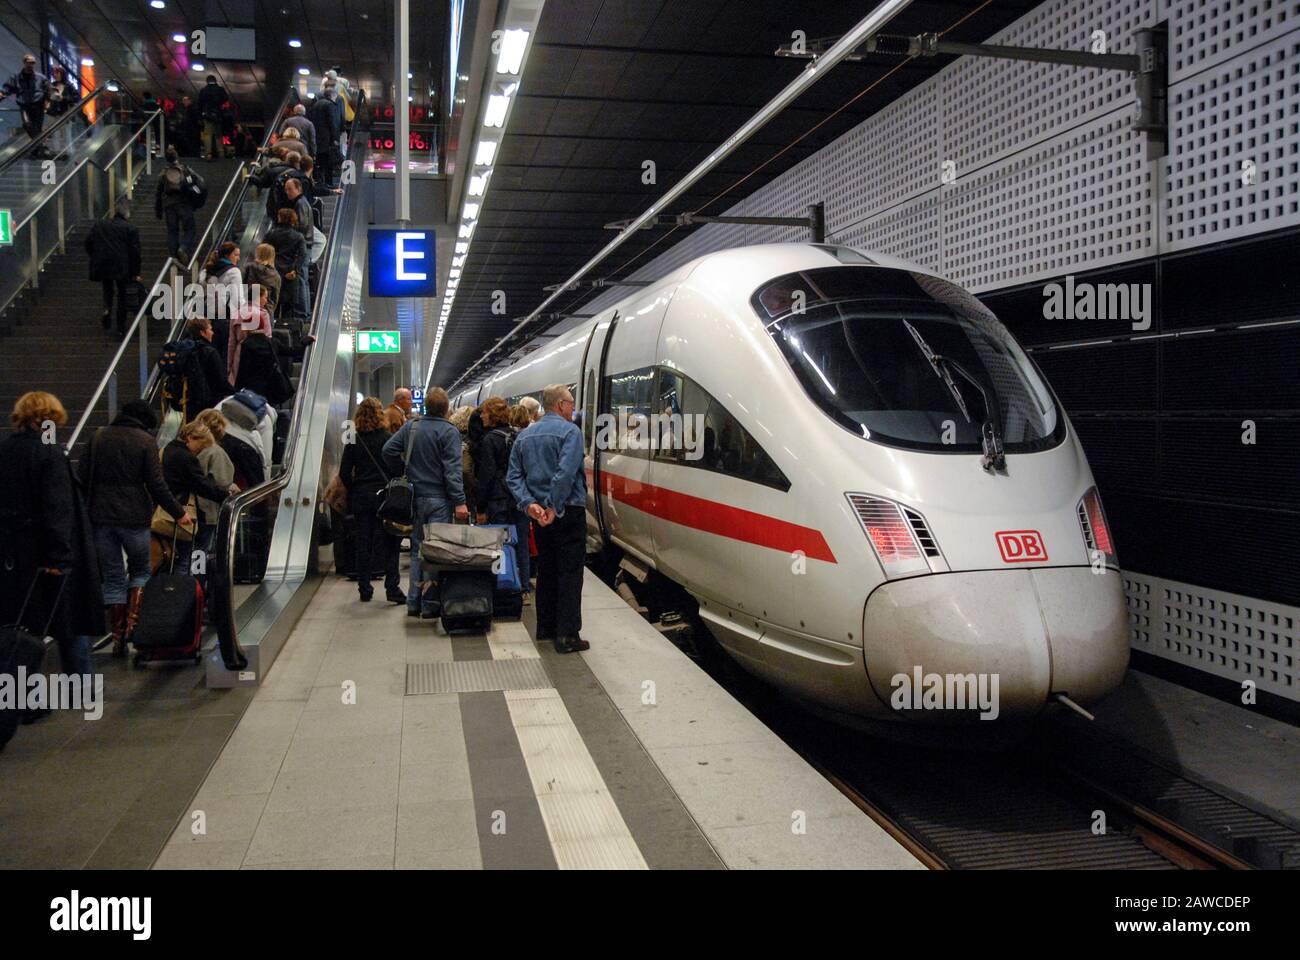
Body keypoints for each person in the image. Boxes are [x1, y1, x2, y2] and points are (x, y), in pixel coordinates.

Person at [0, 392, 103, 681]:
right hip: (49, 554)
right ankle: (79, 684)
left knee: (21, 625)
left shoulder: (6, 450)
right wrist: (60, 555)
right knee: (69, 622)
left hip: (14, 553)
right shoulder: (50, 454)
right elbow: (57, 508)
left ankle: (21, 689)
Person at [79, 399, 192, 656]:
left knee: (112, 575)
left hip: (101, 517)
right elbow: (156, 484)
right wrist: (178, 513)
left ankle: (116, 638)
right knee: (141, 571)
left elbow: (83, 477)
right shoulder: (144, 441)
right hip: (134, 517)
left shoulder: (97, 437)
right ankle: (133, 629)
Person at [506, 384, 587, 653]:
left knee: (547, 570)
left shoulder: (525, 436)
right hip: (567, 511)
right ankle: (567, 636)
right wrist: (553, 506)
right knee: (570, 573)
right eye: (571, 402)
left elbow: (513, 477)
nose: (573, 407)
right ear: (560, 404)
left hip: (539, 515)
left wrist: (530, 505)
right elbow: (565, 474)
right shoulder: (571, 432)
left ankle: (545, 628)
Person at [382, 388, 469, 618]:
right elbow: (453, 471)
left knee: (416, 549)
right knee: (435, 552)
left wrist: (403, 470)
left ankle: (413, 602)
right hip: (439, 500)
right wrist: (460, 501)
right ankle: (430, 604)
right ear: (445, 409)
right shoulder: (448, 432)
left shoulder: (412, 426)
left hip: (415, 498)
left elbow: (388, 450)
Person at [339, 398, 404, 604]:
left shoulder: (353, 439)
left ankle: (364, 588)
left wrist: (355, 487)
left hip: (361, 497)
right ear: (380, 414)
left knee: (363, 543)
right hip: (384, 497)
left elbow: (344, 472)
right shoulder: (388, 438)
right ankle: (392, 588)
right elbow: (398, 468)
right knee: (390, 542)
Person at [475, 397, 531, 605]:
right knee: (522, 543)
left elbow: (486, 476)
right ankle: (524, 588)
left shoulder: (489, 440)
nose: (481, 416)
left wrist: (480, 507)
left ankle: (502, 585)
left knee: (498, 544)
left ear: (492, 415)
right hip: (519, 497)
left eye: (484, 413)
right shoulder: (519, 436)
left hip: (498, 499)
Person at [84, 196, 141, 336]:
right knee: (122, 295)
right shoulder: (130, 228)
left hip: (103, 264)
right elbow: (135, 253)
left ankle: (107, 309)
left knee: (107, 289)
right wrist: (136, 272)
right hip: (122, 267)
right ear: (127, 213)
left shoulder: (100, 225)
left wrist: (95, 256)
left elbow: (87, 243)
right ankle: (120, 327)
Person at [180, 317, 233, 417]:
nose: (212, 332)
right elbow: (220, 380)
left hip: (191, 403)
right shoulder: (210, 352)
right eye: (210, 329)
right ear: (202, 333)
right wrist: (234, 393)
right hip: (210, 404)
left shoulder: (187, 351)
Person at [200, 241, 244, 355]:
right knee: (225, 354)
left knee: (209, 352)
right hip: (224, 318)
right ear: (227, 255)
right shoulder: (234, 271)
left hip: (206, 318)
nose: (238, 258)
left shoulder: (206, 271)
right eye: (236, 255)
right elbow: (238, 298)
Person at [265, 208, 307, 326]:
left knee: (273, 302)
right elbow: (302, 254)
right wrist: (295, 270)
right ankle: (286, 329)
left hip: (274, 271)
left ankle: (272, 328)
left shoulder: (271, 234)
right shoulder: (298, 236)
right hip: (290, 273)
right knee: (289, 304)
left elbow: (264, 250)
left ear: (280, 218)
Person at [155, 145, 198, 261]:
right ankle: (183, 247)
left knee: (172, 232)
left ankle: (173, 257)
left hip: (169, 205)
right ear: (177, 156)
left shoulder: (163, 173)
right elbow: (193, 184)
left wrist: (158, 210)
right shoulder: (184, 169)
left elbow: (158, 192)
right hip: (183, 203)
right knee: (190, 229)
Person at [0, 54, 50, 151]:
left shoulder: (40, 77)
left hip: (38, 105)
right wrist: (2, 94)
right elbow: (7, 88)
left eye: (33, 63)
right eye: (29, 62)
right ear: (24, 62)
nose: (31, 65)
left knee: (37, 128)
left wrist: (49, 99)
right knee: (27, 124)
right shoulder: (16, 77)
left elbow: (48, 88)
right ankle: (42, 145)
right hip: (24, 105)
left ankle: (37, 151)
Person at [228, 285, 273, 385]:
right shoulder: (263, 314)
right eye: (265, 297)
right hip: (258, 356)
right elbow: (268, 338)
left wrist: (229, 365)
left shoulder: (237, 313)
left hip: (239, 355)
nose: (266, 301)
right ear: (258, 297)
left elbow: (231, 343)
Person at [309, 82, 344, 187]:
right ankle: (329, 183)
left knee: (320, 161)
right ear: (332, 95)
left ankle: (320, 182)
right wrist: (335, 138)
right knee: (329, 163)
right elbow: (332, 122)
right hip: (327, 139)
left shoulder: (316, 104)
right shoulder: (329, 105)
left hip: (317, 138)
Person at [242, 242, 281, 316]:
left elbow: (242, 288)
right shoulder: (275, 275)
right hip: (266, 311)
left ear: (257, 254)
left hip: (248, 309)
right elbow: (275, 298)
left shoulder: (249, 268)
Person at [197, 74, 230, 159]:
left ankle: (208, 153)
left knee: (207, 135)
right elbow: (226, 99)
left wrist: (200, 116)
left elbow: (199, 104)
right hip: (218, 115)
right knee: (218, 135)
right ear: (215, 81)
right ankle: (221, 152)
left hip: (207, 115)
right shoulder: (220, 90)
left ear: (207, 81)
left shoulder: (203, 90)